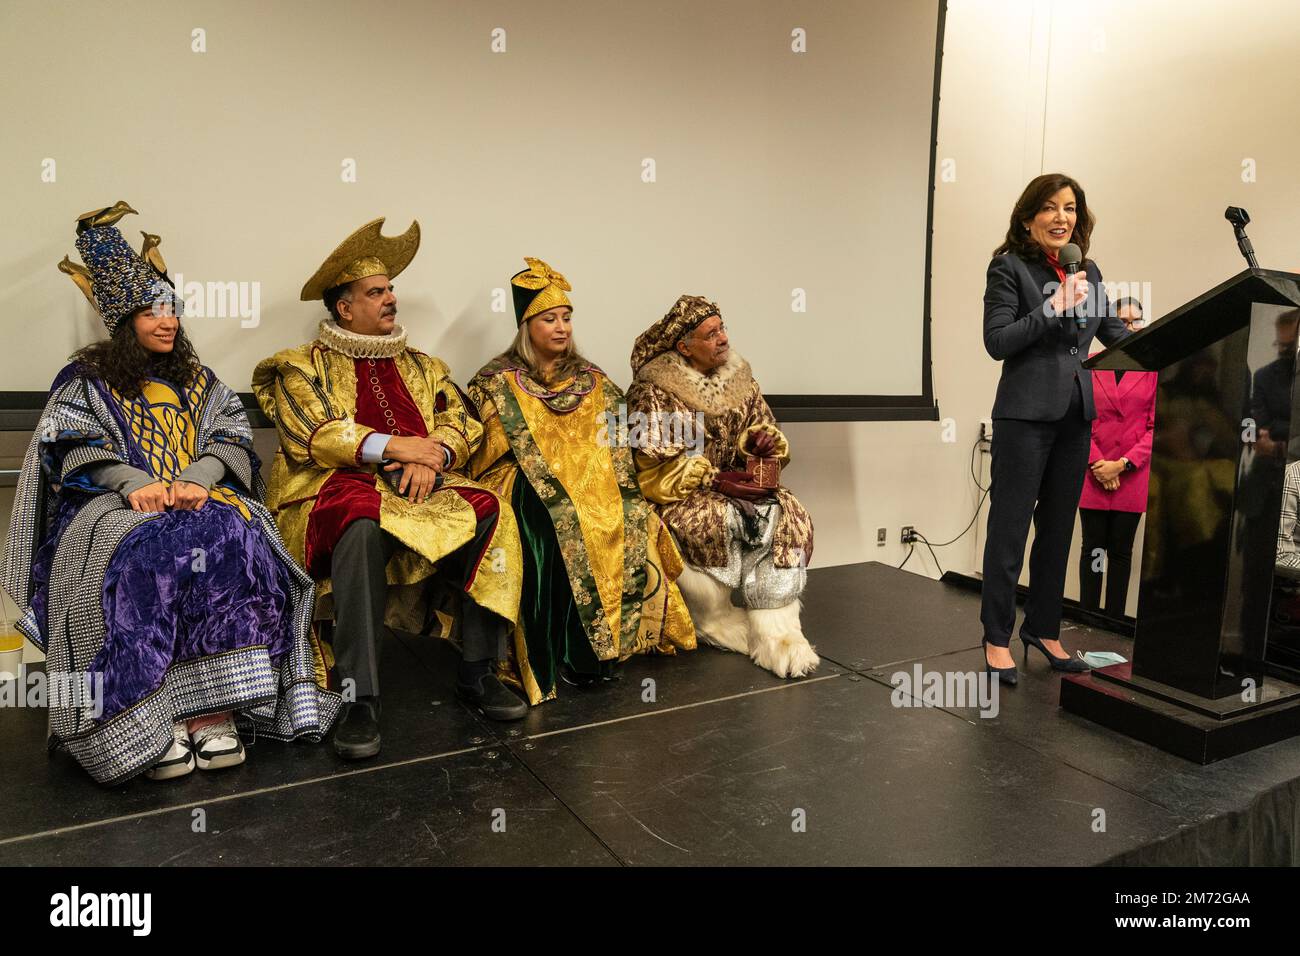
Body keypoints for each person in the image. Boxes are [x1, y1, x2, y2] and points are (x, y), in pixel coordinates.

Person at [2, 203, 339, 784]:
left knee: (234, 534)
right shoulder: (85, 382)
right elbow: (70, 449)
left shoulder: (200, 380)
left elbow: (230, 434)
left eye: (173, 312)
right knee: (148, 558)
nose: (169, 323)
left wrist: (197, 479)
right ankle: (151, 721)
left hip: (198, 499)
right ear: (123, 318)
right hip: (113, 509)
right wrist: (137, 484)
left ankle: (213, 710)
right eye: (153, 312)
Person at [252, 218, 526, 760]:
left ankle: (477, 670)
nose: (390, 299)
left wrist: (438, 455)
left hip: (420, 483)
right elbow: (315, 434)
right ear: (344, 308)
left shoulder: (424, 365)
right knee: (358, 521)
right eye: (376, 292)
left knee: (493, 510)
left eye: (391, 289)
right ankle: (360, 695)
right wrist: (401, 449)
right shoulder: (300, 366)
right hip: (334, 485)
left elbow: (461, 419)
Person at [465, 259, 695, 703]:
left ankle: (605, 648)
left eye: (567, 318)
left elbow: (616, 444)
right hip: (523, 480)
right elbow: (484, 450)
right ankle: (560, 653)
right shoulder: (497, 382)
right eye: (549, 319)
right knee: (556, 514)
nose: (562, 327)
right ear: (527, 326)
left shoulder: (594, 381)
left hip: (590, 480)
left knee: (626, 510)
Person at [980, 174, 1129, 684]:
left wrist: (1154, 335)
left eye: (1069, 208)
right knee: (1010, 530)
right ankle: (996, 636)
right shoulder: (1009, 268)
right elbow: (998, 340)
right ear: (1028, 219)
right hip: (1024, 417)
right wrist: (1053, 306)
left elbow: (1114, 337)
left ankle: (1043, 629)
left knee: (1059, 530)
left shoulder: (1087, 271)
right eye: (1049, 208)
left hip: (1075, 417)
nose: (1061, 217)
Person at [626, 295, 818, 678]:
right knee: (721, 517)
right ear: (684, 346)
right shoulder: (654, 392)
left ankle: (775, 630)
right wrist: (713, 479)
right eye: (711, 334)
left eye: (723, 328)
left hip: (736, 485)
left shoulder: (741, 382)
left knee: (783, 512)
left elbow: (764, 429)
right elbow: (648, 473)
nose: (723, 339)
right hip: (681, 494)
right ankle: (712, 619)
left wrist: (762, 443)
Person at [1077, 297, 1157, 617]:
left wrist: (1121, 465)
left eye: (1135, 321)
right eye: (1121, 321)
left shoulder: (1154, 369)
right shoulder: (1091, 362)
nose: (1129, 328)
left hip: (1132, 474)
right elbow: (1081, 418)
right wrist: (1099, 464)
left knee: (1121, 553)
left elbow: (1156, 426)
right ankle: (1085, 618)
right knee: (1092, 548)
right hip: (1093, 471)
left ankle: (1113, 622)